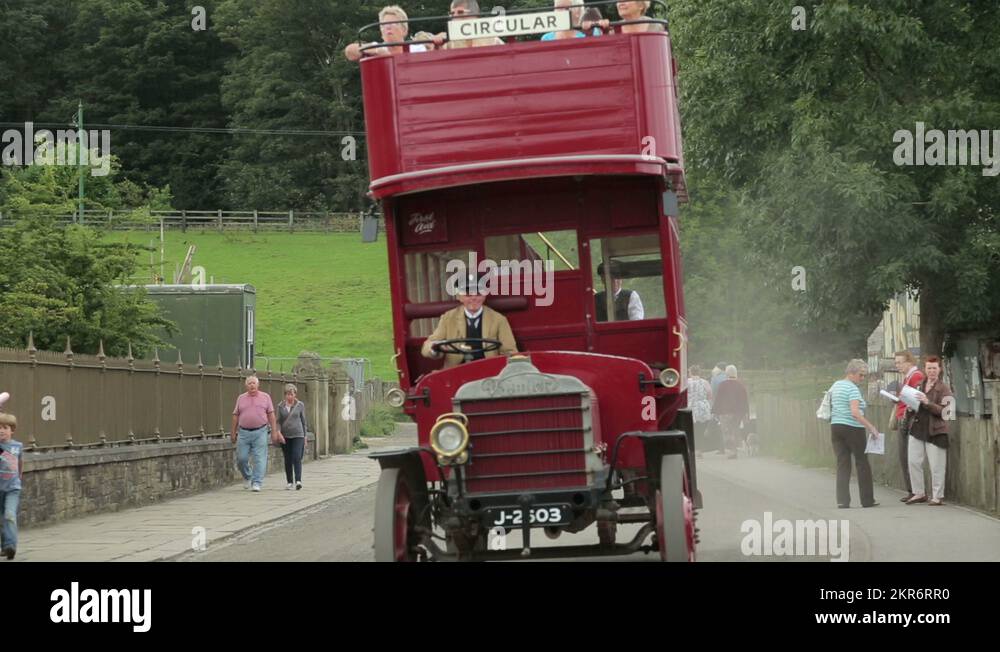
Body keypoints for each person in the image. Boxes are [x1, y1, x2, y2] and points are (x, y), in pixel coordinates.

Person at [422, 274, 517, 368]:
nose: (474, 298)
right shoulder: (448, 318)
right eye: (468, 294)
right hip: (455, 372)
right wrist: (435, 348)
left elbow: (509, 351)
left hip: (489, 373)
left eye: (478, 293)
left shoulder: (498, 319)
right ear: (459, 296)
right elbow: (428, 345)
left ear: (484, 295)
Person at [829, 359, 879, 508]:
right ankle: (867, 500)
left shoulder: (835, 386)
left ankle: (842, 501)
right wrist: (871, 427)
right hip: (852, 428)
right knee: (862, 462)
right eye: (860, 375)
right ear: (851, 373)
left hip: (836, 426)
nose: (862, 378)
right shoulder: (852, 389)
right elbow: (855, 412)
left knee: (842, 463)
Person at [904, 356, 953, 506]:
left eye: (934, 368)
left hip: (936, 430)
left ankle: (937, 496)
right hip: (917, 427)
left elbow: (947, 412)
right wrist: (910, 407)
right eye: (929, 368)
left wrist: (927, 402)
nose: (931, 371)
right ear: (925, 369)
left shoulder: (944, 388)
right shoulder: (919, 385)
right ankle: (919, 493)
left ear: (939, 369)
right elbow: (912, 406)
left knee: (936, 465)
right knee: (913, 461)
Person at [231, 375, 280, 492]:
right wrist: (233, 432)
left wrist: (274, 432)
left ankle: (257, 482)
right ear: (246, 386)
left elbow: (271, 415)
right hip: (243, 432)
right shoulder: (241, 398)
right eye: (249, 383)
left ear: (258, 385)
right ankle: (248, 476)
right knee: (241, 458)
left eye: (254, 383)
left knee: (259, 458)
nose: (252, 385)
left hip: (260, 431)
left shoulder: (265, 397)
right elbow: (235, 415)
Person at [892, 350, 924, 502]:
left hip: (908, 418)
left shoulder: (915, 376)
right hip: (903, 415)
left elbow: (915, 398)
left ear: (909, 362)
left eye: (900, 362)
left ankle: (914, 490)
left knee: (906, 454)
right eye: (896, 362)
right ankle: (911, 490)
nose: (897, 365)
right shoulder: (908, 377)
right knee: (903, 455)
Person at [344, 5, 427, 62]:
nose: (388, 27)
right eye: (384, 25)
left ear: (404, 30)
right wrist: (378, 50)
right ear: (381, 32)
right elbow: (349, 52)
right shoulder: (376, 46)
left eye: (393, 23)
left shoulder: (417, 49)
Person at [712, 365, 749, 459]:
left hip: (725, 412)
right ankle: (734, 449)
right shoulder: (741, 385)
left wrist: (715, 411)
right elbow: (745, 399)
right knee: (734, 429)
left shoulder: (723, 385)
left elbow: (718, 399)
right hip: (738, 412)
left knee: (726, 431)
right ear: (736, 373)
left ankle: (732, 450)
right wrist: (745, 412)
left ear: (727, 374)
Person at [277, 384, 308, 491]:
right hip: (285, 436)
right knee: (288, 458)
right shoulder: (280, 406)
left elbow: (304, 422)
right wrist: (278, 432)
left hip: (298, 434)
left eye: (292, 394)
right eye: (288, 394)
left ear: (295, 394)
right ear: (285, 395)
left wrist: (305, 436)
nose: (290, 396)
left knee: (296, 456)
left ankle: (298, 480)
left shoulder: (300, 405)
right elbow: (278, 422)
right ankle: (289, 481)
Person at [0, 412, 22, 560]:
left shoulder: (17, 446)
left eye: (5, 427)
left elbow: (20, 463)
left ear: (12, 430)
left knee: (9, 515)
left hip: (13, 488)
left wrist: (20, 477)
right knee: (1, 518)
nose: (1, 430)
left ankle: (11, 546)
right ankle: (5, 546)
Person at [439, 0, 505, 49]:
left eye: (460, 12)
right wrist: (437, 44)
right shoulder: (447, 39)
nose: (455, 16)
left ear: (474, 15)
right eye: (452, 13)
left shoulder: (491, 38)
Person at [687, 366, 713, 457]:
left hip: (690, 407)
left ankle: (692, 449)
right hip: (702, 407)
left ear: (690, 372)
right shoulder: (704, 382)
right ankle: (699, 450)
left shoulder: (687, 382)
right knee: (701, 430)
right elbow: (710, 395)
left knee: (691, 429)